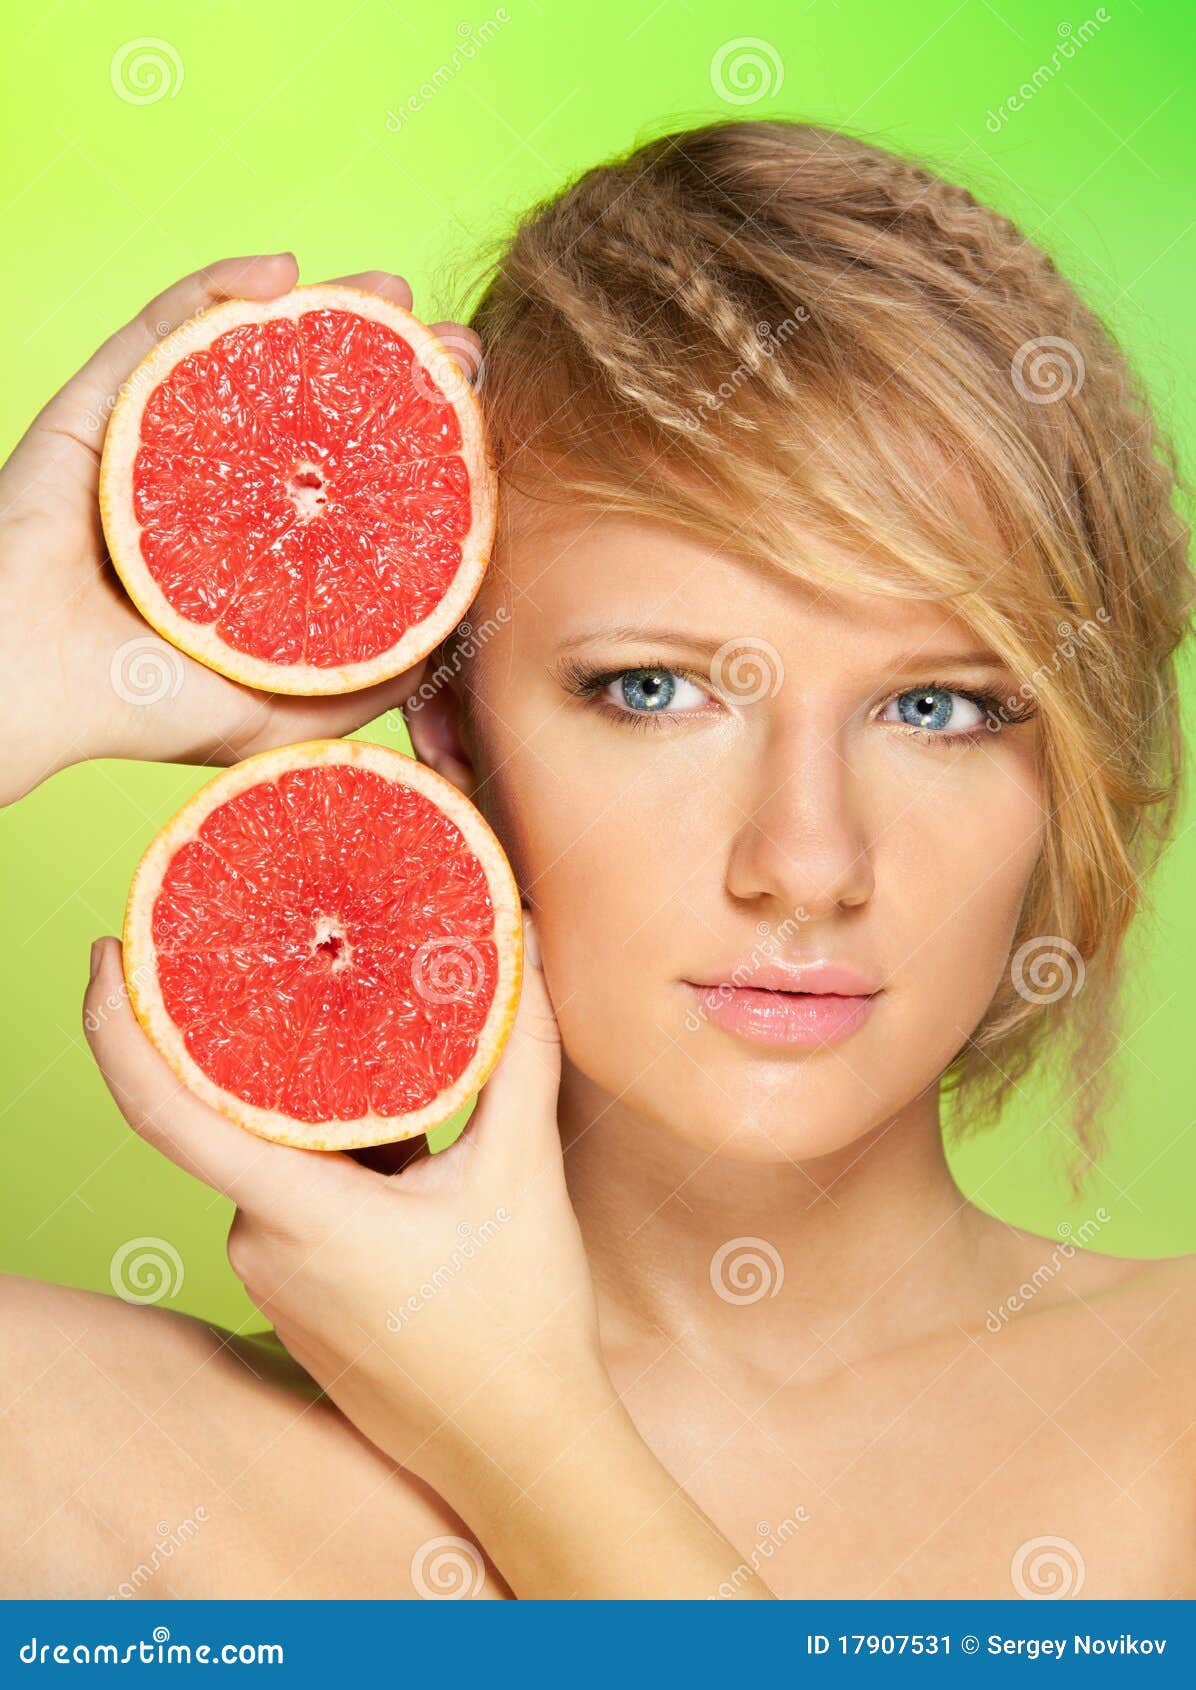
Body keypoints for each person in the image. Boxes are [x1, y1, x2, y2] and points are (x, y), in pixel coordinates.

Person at [1, 119, 1193, 1601]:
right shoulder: (85, 1461)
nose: (806, 863)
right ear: (446, 710)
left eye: (938, 706)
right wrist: (23, 666)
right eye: (653, 688)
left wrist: (533, 1446)